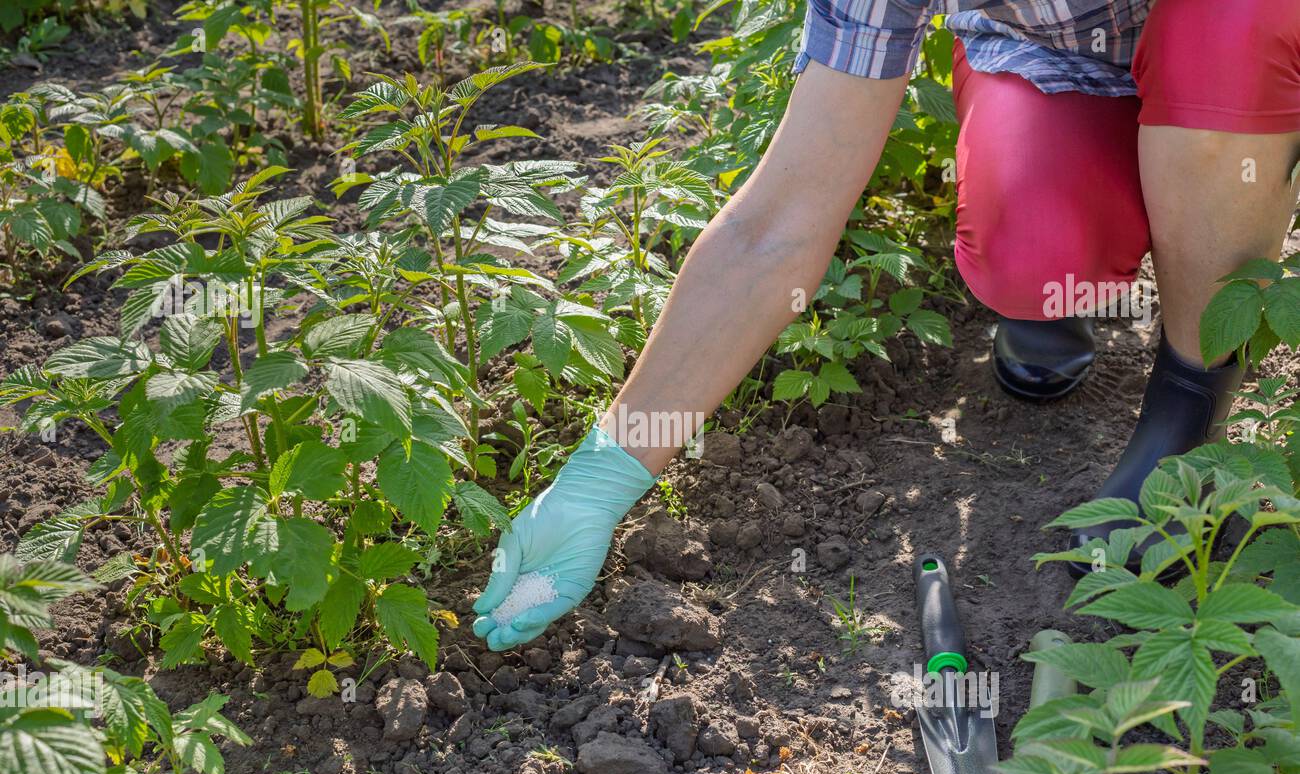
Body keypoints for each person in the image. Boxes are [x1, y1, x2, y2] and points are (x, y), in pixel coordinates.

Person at [473, 0, 1300, 651]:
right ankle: (1055, 281)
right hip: (1064, 63)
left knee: (1236, 28)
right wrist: (602, 478)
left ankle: (1186, 408)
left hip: (1237, 52)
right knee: (1036, 246)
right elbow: (777, 226)